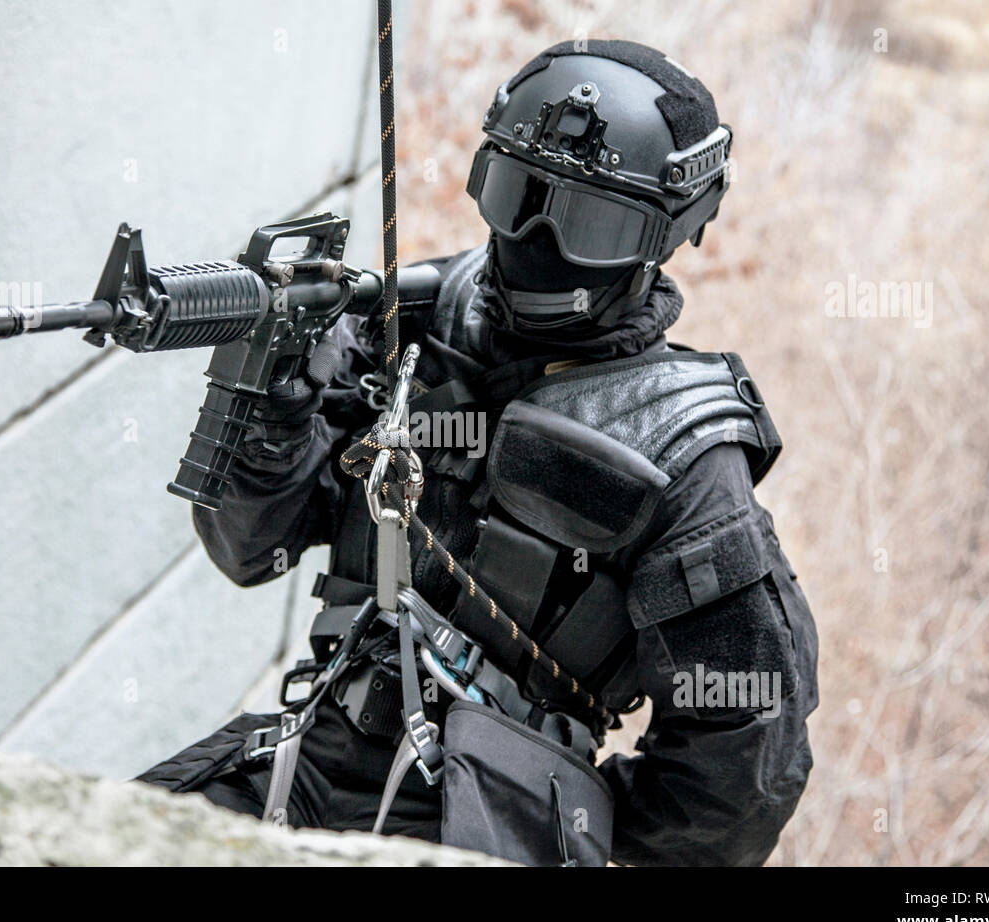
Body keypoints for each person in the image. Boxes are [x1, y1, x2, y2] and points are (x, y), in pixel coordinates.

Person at [139, 39, 819, 867]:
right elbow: (251, 548)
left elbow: (739, 774)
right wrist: (276, 400)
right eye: (518, 192)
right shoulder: (414, 328)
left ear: (661, 237)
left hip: (499, 819)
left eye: (591, 221)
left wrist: (581, 828)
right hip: (310, 756)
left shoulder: (687, 455)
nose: (538, 236)